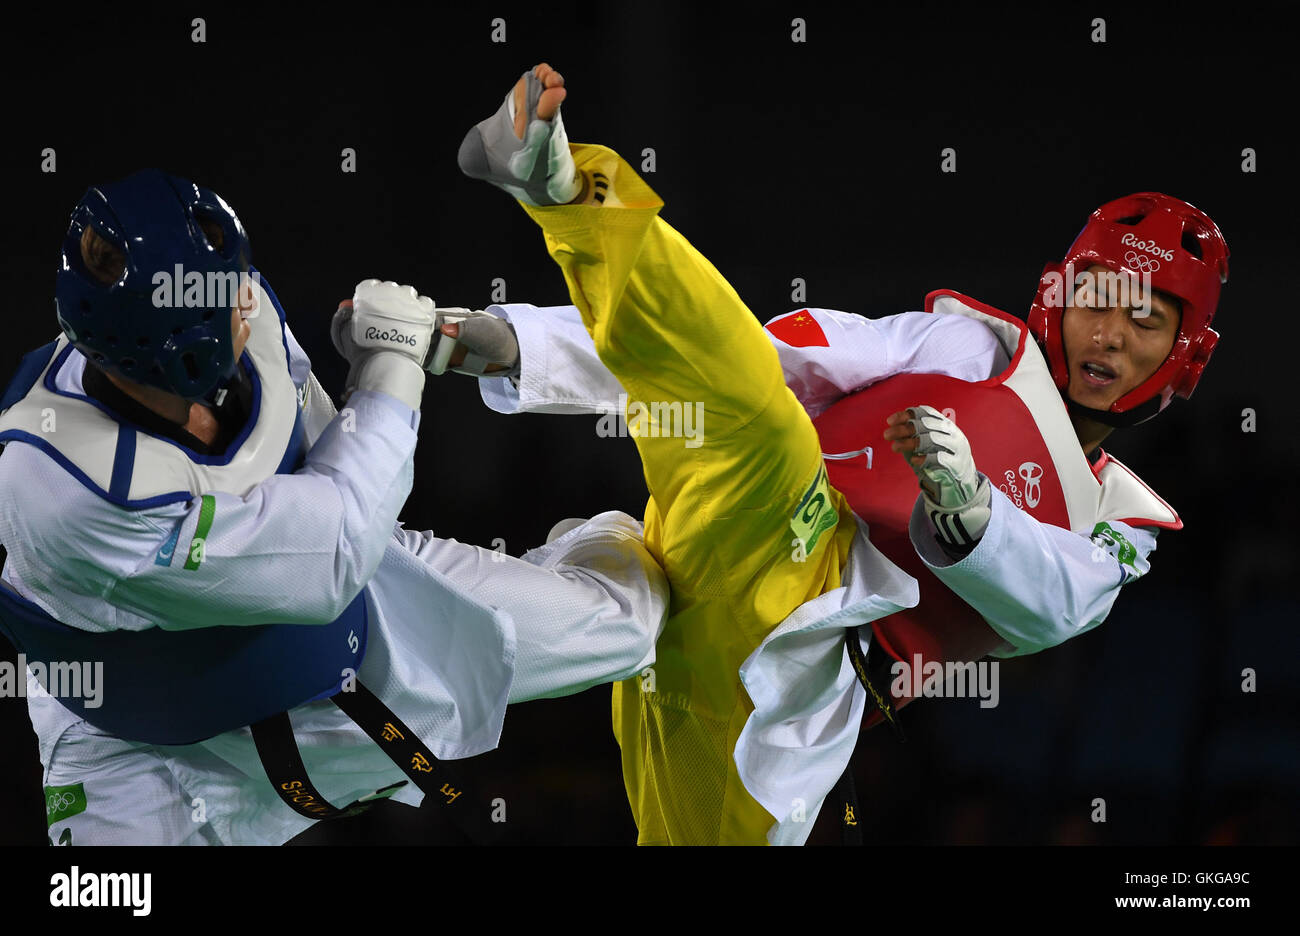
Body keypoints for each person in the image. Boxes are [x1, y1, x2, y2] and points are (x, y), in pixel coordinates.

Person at [442, 63, 1228, 844]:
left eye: (1146, 320)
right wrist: (521, 347)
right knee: (752, 403)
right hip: (771, 526)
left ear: (1182, 357)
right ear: (1061, 295)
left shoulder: (1119, 522)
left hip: (778, 684)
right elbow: (757, 357)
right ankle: (563, 186)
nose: (1111, 333)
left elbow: (1052, 606)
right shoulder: (967, 345)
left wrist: (972, 511)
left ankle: (380, 640)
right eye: (1099, 298)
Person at [0, 169, 668, 845]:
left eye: (232, 281)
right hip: (142, 747)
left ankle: (581, 541)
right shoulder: (64, 487)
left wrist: (384, 362)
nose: (243, 302)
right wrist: (390, 372)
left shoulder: (244, 312)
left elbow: (340, 480)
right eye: (218, 302)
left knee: (629, 625)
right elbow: (332, 554)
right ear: (179, 347)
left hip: (346, 639)